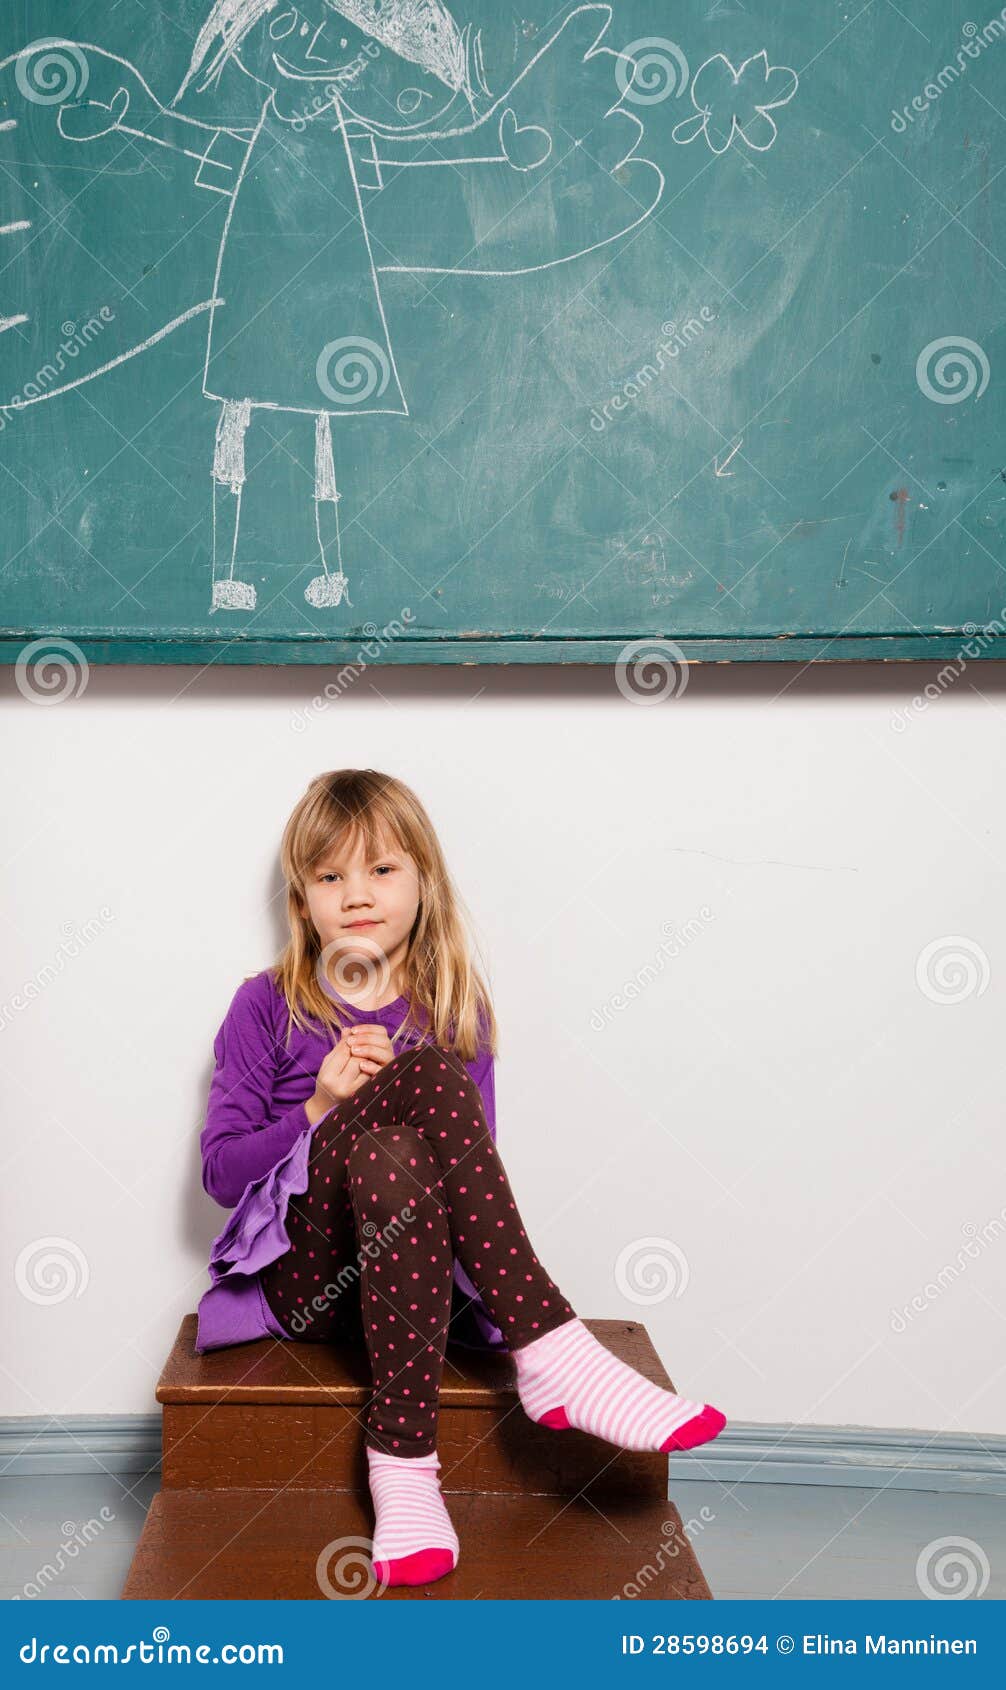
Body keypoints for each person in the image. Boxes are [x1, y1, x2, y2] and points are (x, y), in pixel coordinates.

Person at [196, 767, 726, 1588]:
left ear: (423, 880)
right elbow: (222, 1177)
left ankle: (404, 1467)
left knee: (402, 1148)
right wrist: (318, 1107)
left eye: (381, 869)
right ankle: (554, 1350)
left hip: (414, 1285)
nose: (356, 894)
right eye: (330, 876)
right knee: (426, 1085)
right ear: (303, 902)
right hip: (307, 1282)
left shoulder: (455, 1010)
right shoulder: (264, 1005)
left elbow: (469, 1185)